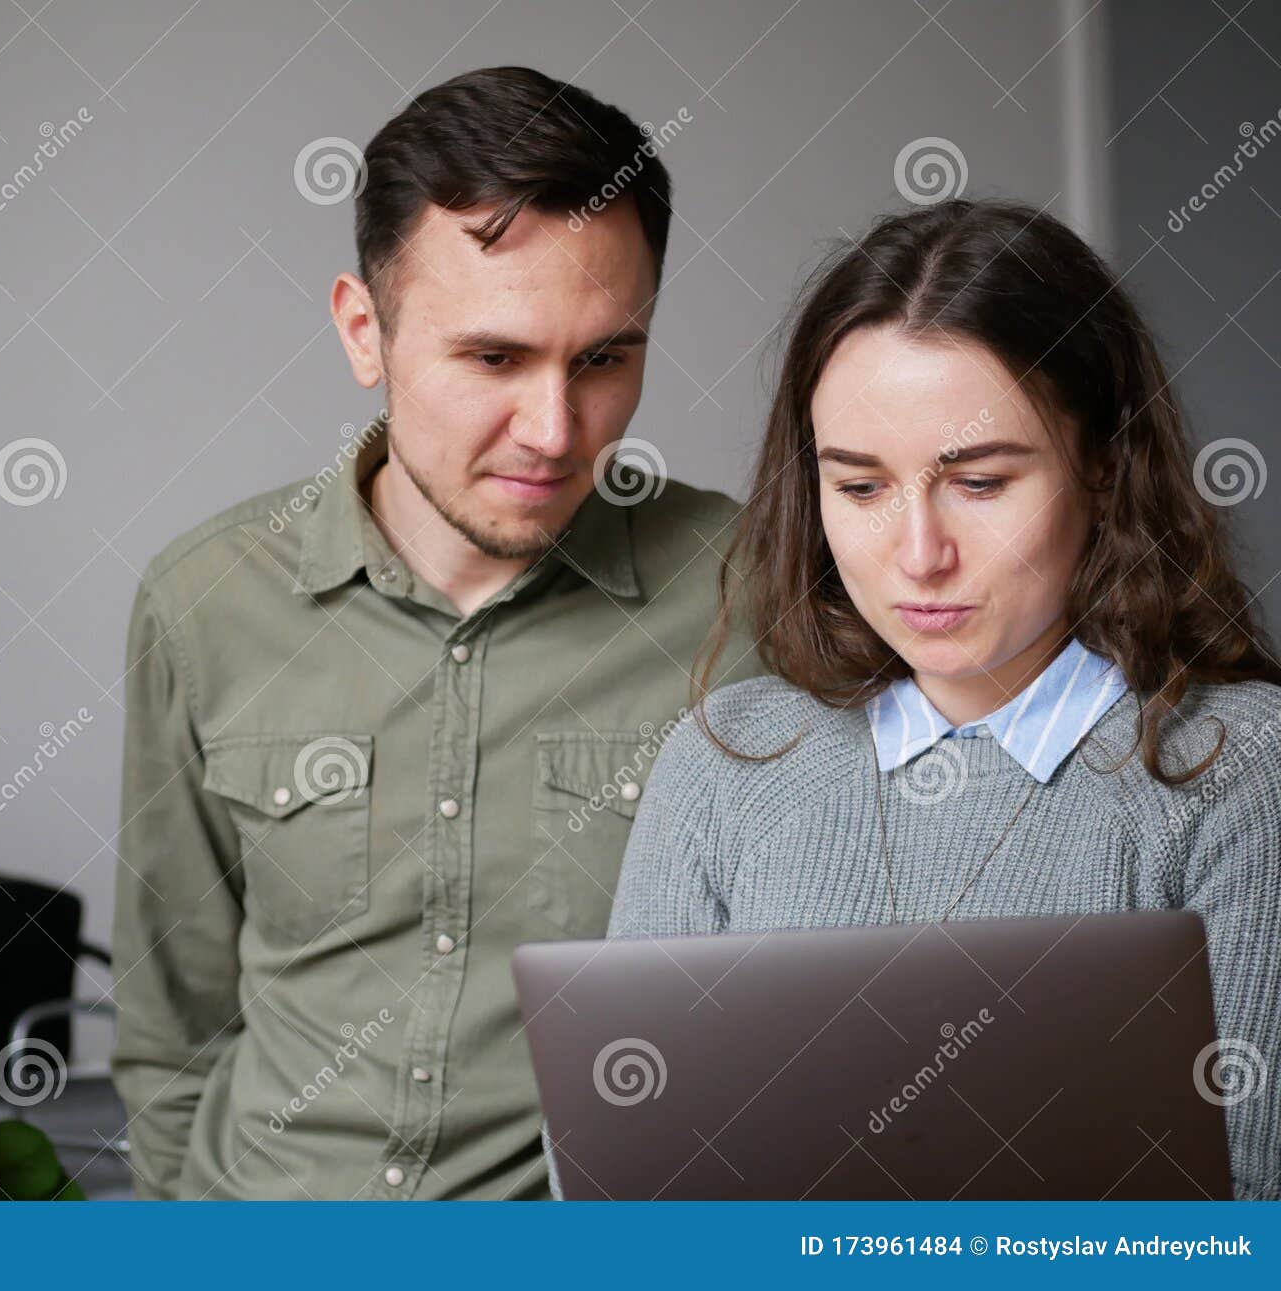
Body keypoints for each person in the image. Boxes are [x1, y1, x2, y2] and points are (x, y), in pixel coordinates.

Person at [544, 198, 1281, 1201]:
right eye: (859, 488)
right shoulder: (726, 760)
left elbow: (1249, 1211)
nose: (919, 555)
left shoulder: (1235, 770)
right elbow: (620, 1180)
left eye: (978, 482)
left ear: (1103, 472)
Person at [110, 65, 760, 1200]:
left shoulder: (750, 593)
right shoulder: (200, 601)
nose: (555, 431)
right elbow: (174, 1034)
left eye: (606, 358)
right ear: (365, 332)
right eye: (493, 358)